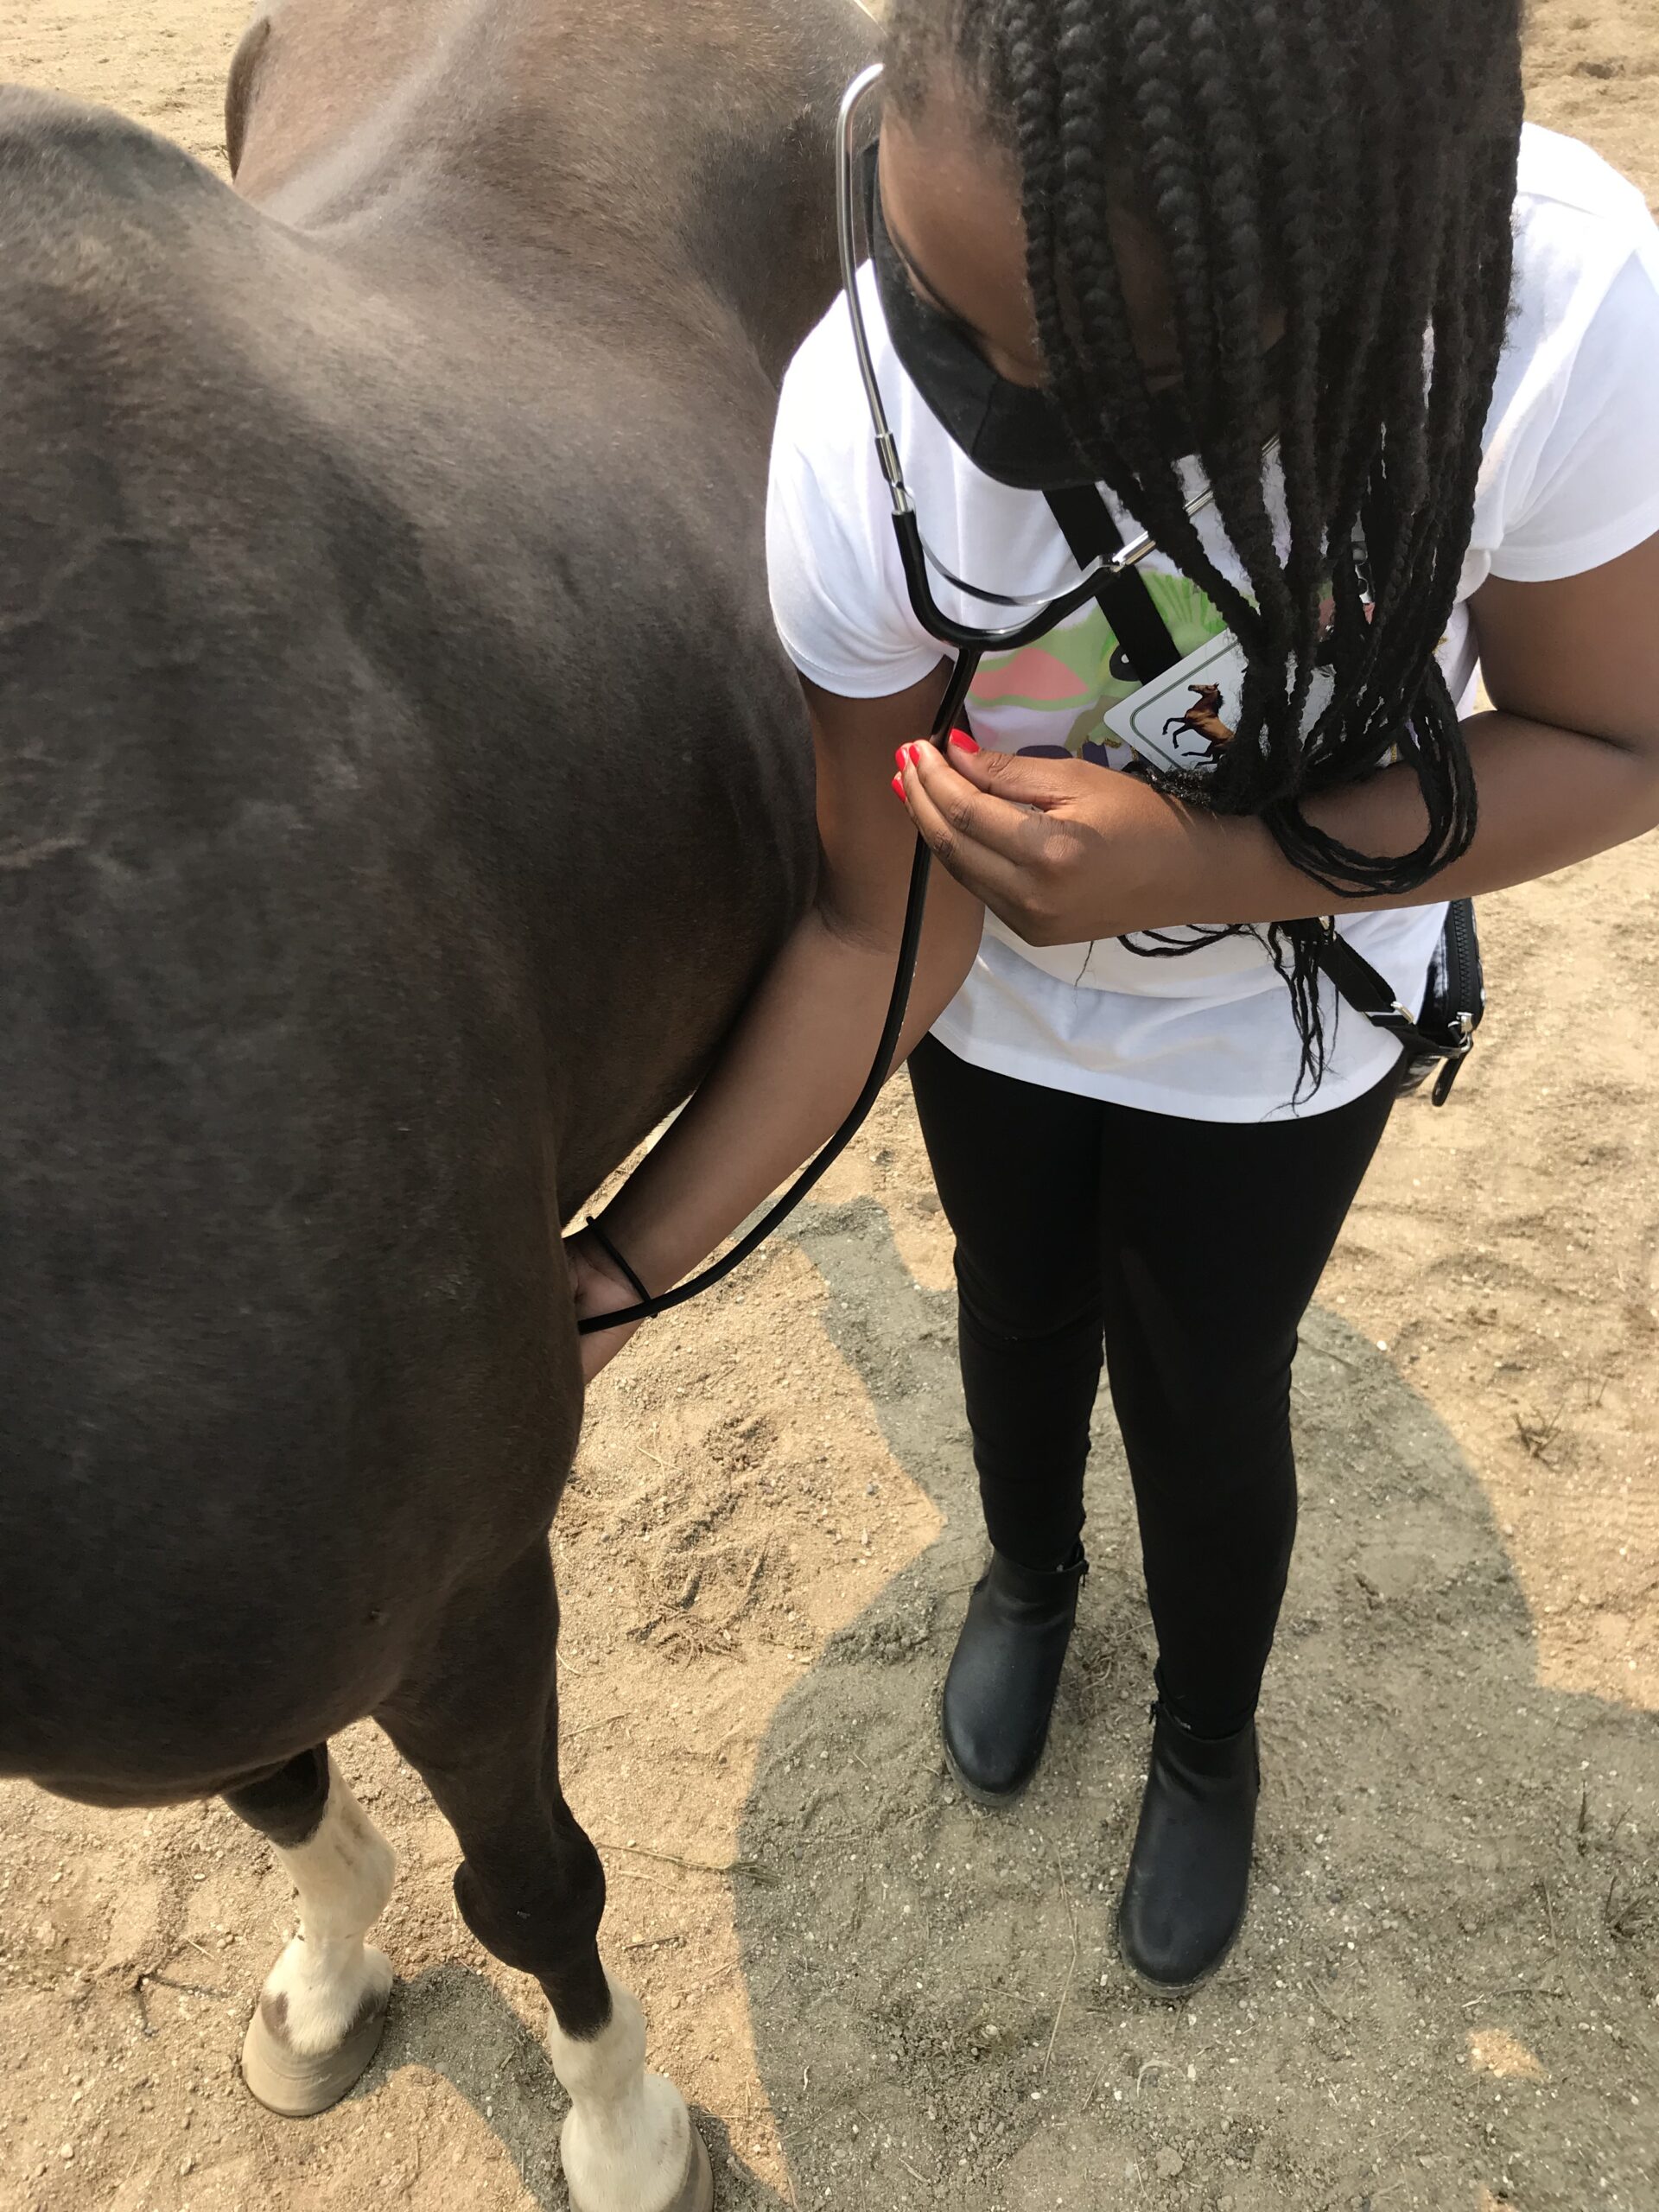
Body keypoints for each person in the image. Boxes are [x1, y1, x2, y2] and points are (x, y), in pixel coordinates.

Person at [569, 0, 1659, 1993]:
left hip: (1288, 1028)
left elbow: (1617, 732)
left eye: (1052, 373)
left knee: (1203, 1375)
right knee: (1014, 1287)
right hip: (992, 1014)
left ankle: (1206, 1730)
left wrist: (1219, 867)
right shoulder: (861, 418)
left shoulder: (1551, 306)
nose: (945, 380)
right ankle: (1033, 1568)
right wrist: (611, 1287)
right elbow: (868, 927)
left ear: (1315, 285)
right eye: (922, 285)